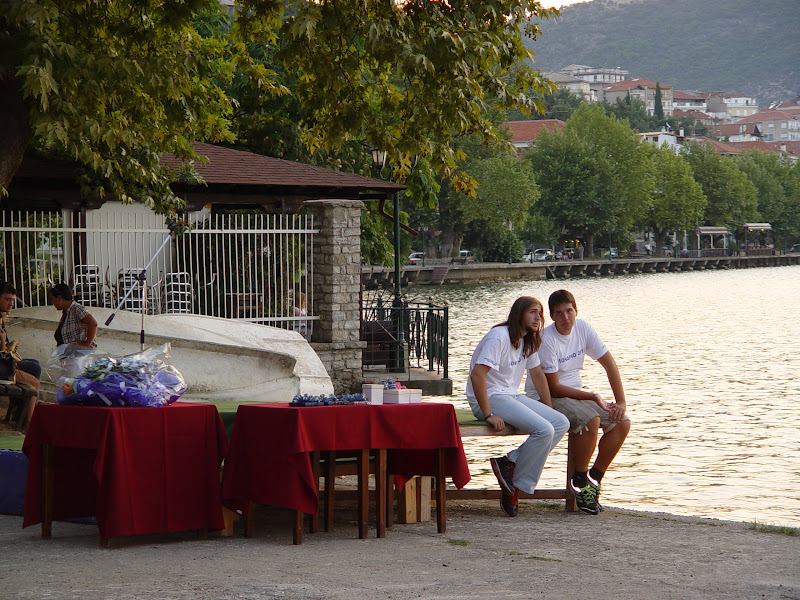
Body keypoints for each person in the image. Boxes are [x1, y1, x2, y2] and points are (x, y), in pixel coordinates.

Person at [525, 289, 630, 515]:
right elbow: (553, 387)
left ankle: (594, 478)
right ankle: (579, 481)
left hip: (575, 394)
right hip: (547, 397)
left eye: (569, 311)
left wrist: (621, 402)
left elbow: (609, 364)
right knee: (590, 418)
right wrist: (592, 396)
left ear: (576, 310)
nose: (566, 318)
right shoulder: (547, 340)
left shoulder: (583, 328)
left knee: (622, 422)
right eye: (559, 314)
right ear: (551, 317)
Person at [466, 296, 570, 517]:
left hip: (510, 396)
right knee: (544, 430)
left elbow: (538, 375)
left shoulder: (527, 340)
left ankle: (510, 463)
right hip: (489, 398)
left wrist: (549, 408)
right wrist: (487, 414)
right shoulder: (499, 337)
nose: (538, 318)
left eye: (540, 313)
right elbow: (478, 375)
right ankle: (514, 482)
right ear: (519, 313)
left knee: (560, 422)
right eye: (533, 312)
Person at [0, 282, 42, 428]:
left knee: (34, 365)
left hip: (4, 367)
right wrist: (6, 345)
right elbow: (2, 353)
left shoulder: (1, 320)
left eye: (12, 300)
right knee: (34, 381)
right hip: (2, 370)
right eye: (7, 299)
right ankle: (29, 423)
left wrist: (10, 349)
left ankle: (21, 412)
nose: (11, 304)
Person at [50, 283, 98, 348]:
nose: (53, 303)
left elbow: (93, 323)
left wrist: (87, 344)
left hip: (79, 355)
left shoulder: (76, 309)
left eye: (53, 299)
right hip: (68, 355)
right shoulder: (66, 313)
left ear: (59, 298)